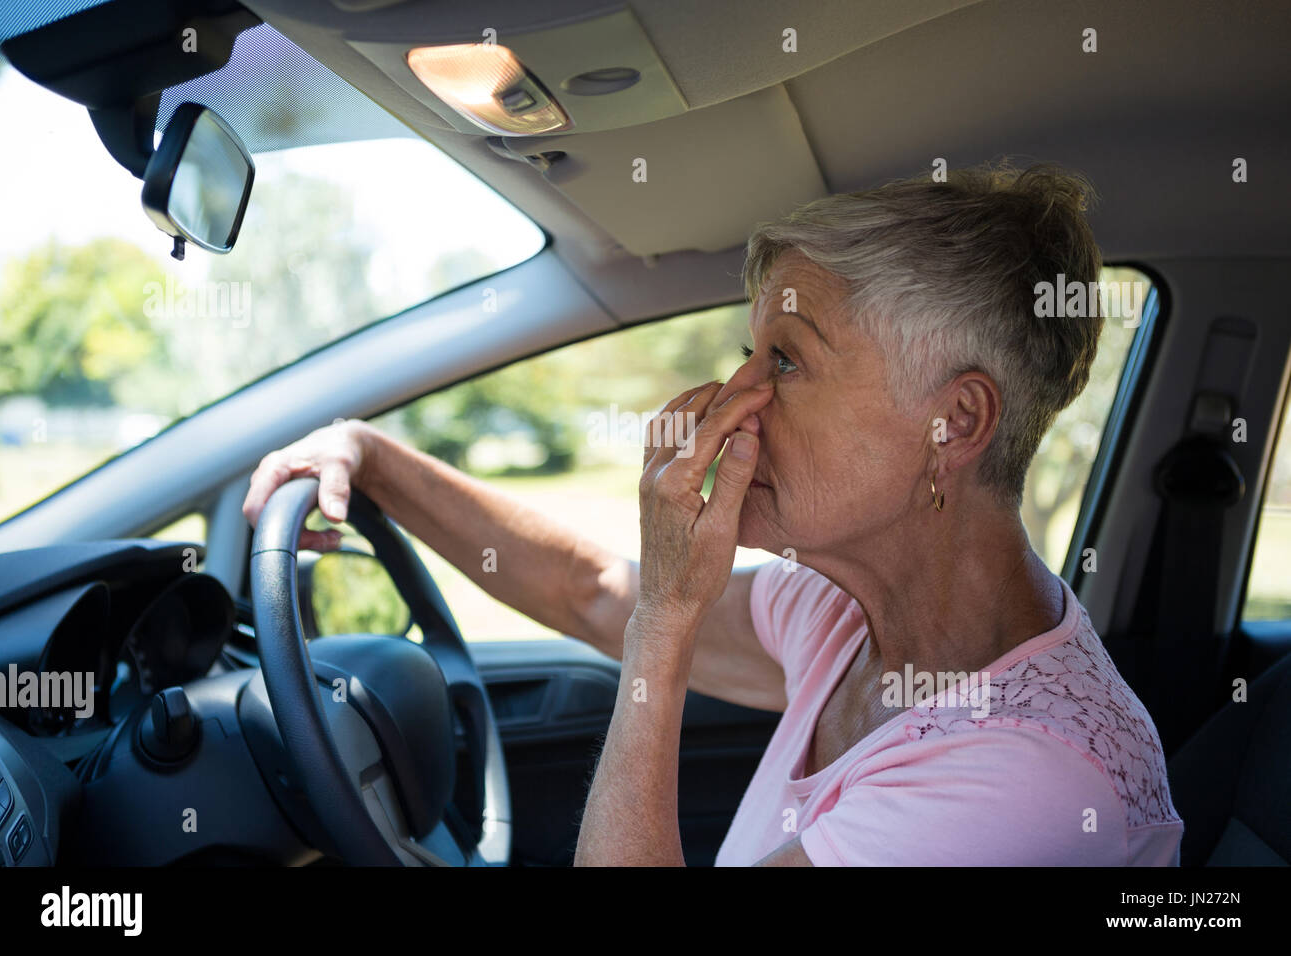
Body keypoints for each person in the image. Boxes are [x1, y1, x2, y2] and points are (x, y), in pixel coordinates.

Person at [244, 163, 1183, 866]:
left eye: (786, 360)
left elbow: (636, 611)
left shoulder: (1026, 780)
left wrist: (667, 622)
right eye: (751, 352)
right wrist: (372, 457)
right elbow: (593, 591)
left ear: (956, 422)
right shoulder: (846, 614)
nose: (734, 398)